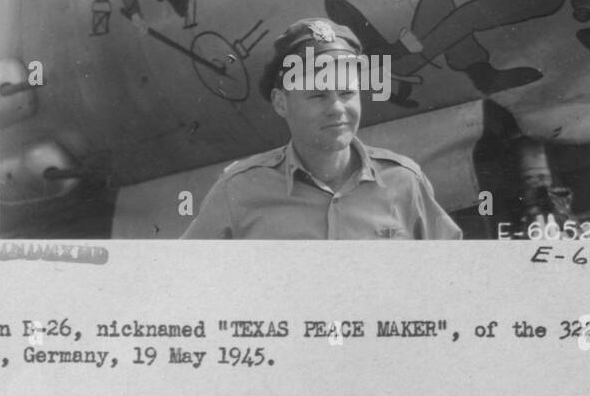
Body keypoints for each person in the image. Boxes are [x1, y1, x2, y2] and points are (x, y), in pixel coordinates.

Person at [180, 18, 462, 239]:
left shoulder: (404, 182)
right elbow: (184, 285)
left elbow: (451, 280)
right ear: (281, 103)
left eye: (347, 93)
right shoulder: (238, 191)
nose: (337, 108)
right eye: (318, 95)